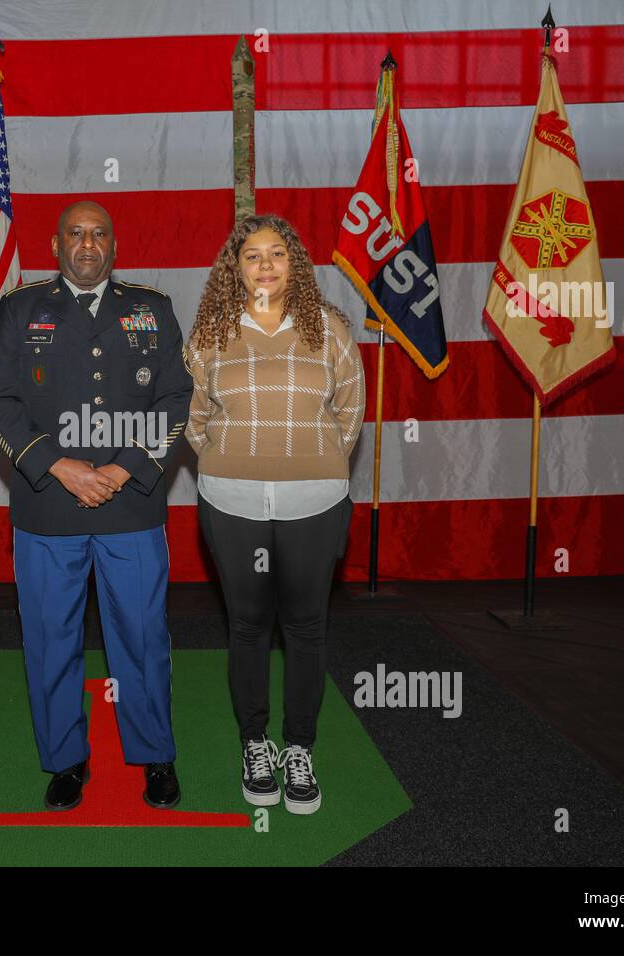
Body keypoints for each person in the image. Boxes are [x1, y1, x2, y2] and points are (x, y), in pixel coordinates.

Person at [0, 200, 193, 811]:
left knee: (144, 635)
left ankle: (155, 754)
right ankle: (66, 760)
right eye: (75, 234)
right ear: (56, 245)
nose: (87, 244)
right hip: (49, 506)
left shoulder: (151, 308)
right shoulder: (21, 309)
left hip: (130, 506)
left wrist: (125, 468)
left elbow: (176, 400)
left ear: (114, 246)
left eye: (99, 233)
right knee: (51, 637)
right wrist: (57, 464)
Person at [184, 214, 365, 815]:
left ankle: (301, 748)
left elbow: (349, 413)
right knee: (247, 624)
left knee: (307, 626)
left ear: (296, 266)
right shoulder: (210, 330)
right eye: (252, 255)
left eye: (277, 254)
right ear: (234, 267)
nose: (265, 265)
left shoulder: (331, 329)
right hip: (230, 498)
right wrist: (235, 459)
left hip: (313, 499)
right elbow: (196, 419)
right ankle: (255, 743)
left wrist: (304, 464)